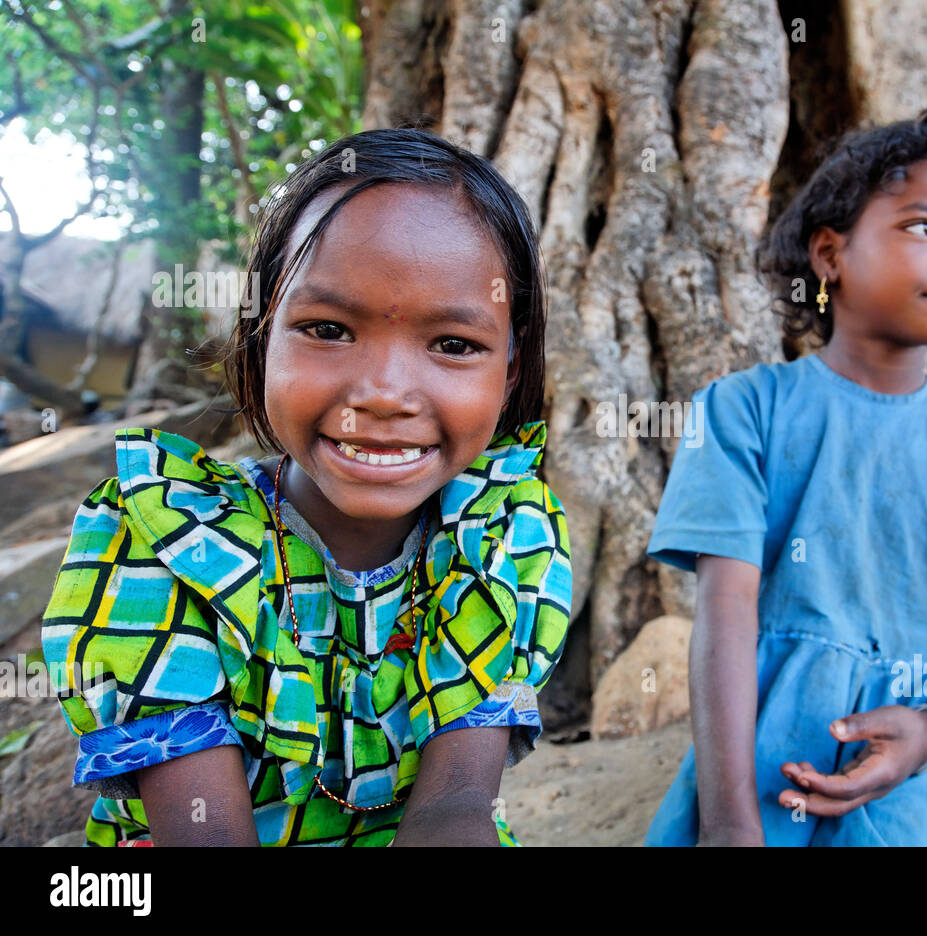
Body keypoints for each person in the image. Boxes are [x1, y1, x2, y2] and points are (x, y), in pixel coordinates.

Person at [40, 129, 573, 846]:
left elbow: (454, 811)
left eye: (453, 344)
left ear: (509, 372)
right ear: (261, 342)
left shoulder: (505, 537)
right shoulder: (164, 545)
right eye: (326, 328)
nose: (384, 394)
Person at [644, 109, 927, 846]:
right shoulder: (742, 411)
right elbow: (726, 612)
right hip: (769, 749)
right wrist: (729, 819)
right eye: (925, 227)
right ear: (830, 254)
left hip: (920, 758)